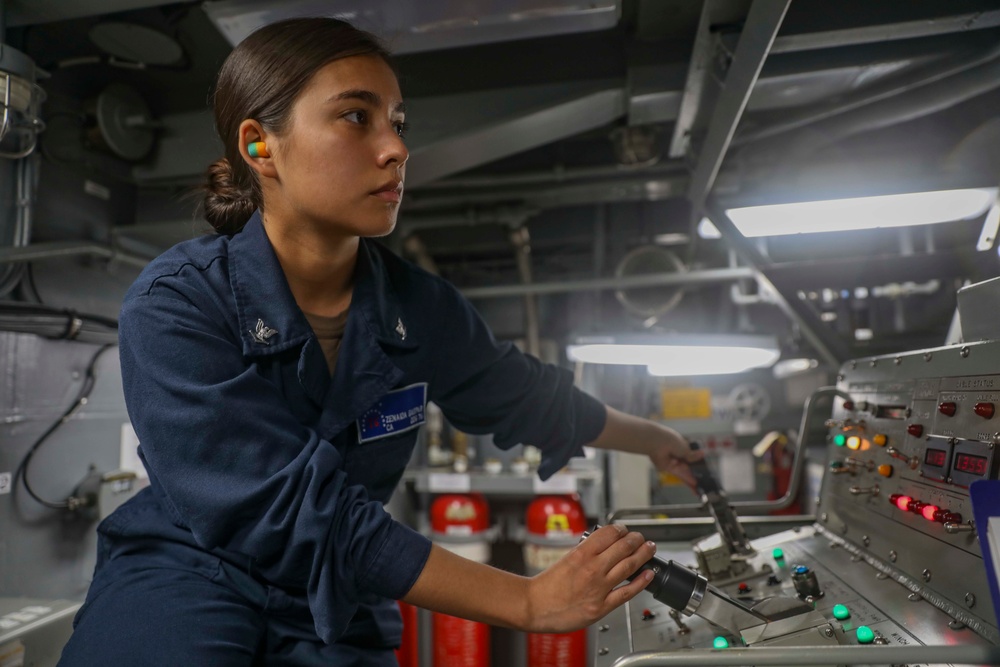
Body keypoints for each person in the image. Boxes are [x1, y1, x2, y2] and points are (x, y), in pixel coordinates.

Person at [58, 17, 700, 666]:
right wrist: (526, 602)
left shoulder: (420, 308)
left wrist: (655, 441)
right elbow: (294, 511)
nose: (395, 148)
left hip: (335, 593)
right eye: (356, 118)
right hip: (187, 572)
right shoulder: (178, 302)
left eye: (398, 122)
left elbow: (525, 395)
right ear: (260, 145)